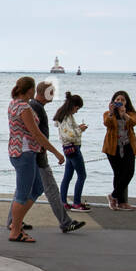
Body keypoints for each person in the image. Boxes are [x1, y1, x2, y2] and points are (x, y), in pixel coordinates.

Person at [7, 76, 65, 243]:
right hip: (24, 152)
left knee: (37, 187)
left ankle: (16, 224)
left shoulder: (14, 103)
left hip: (19, 150)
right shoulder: (24, 107)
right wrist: (55, 152)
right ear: (31, 90)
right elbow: (36, 133)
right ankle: (15, 230)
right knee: (22, 194)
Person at [28, 82, 85, 233]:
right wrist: (54, 152)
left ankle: (13, 221)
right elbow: (37, 134)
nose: (53, 95)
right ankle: (65, 222)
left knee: (28, 189)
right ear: (44, 93)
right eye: (51, 92)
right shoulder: (36, 107)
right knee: (51, 189)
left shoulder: (35, 106)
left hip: (36, 155)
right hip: (38, 156)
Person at [102, 89, 136, 209]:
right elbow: (107, 123)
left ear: (127, 102)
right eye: (117, 100)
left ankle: (113, 196)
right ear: (113, 101)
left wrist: (124, 114)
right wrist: (112, 112)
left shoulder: (131, 113)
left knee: (129, 172)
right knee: (117, 174)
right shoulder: (108, 113)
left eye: (122, 100)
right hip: (112, 147)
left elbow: (134, 122)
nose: (119, 102)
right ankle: (120, 202)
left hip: (128, 146)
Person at [54, 92, 90, 211]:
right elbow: (68, 135)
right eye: (77, 109)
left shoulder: (64, 116)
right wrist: (80, 129)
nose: (77, 111)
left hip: (68, 149)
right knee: (82, 175)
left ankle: (63, 201)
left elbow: (67, 131)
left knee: (68, 176)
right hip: (73, 148)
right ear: (74, 106)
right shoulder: (66, 117)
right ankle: (76, 203)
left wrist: (78, 128)